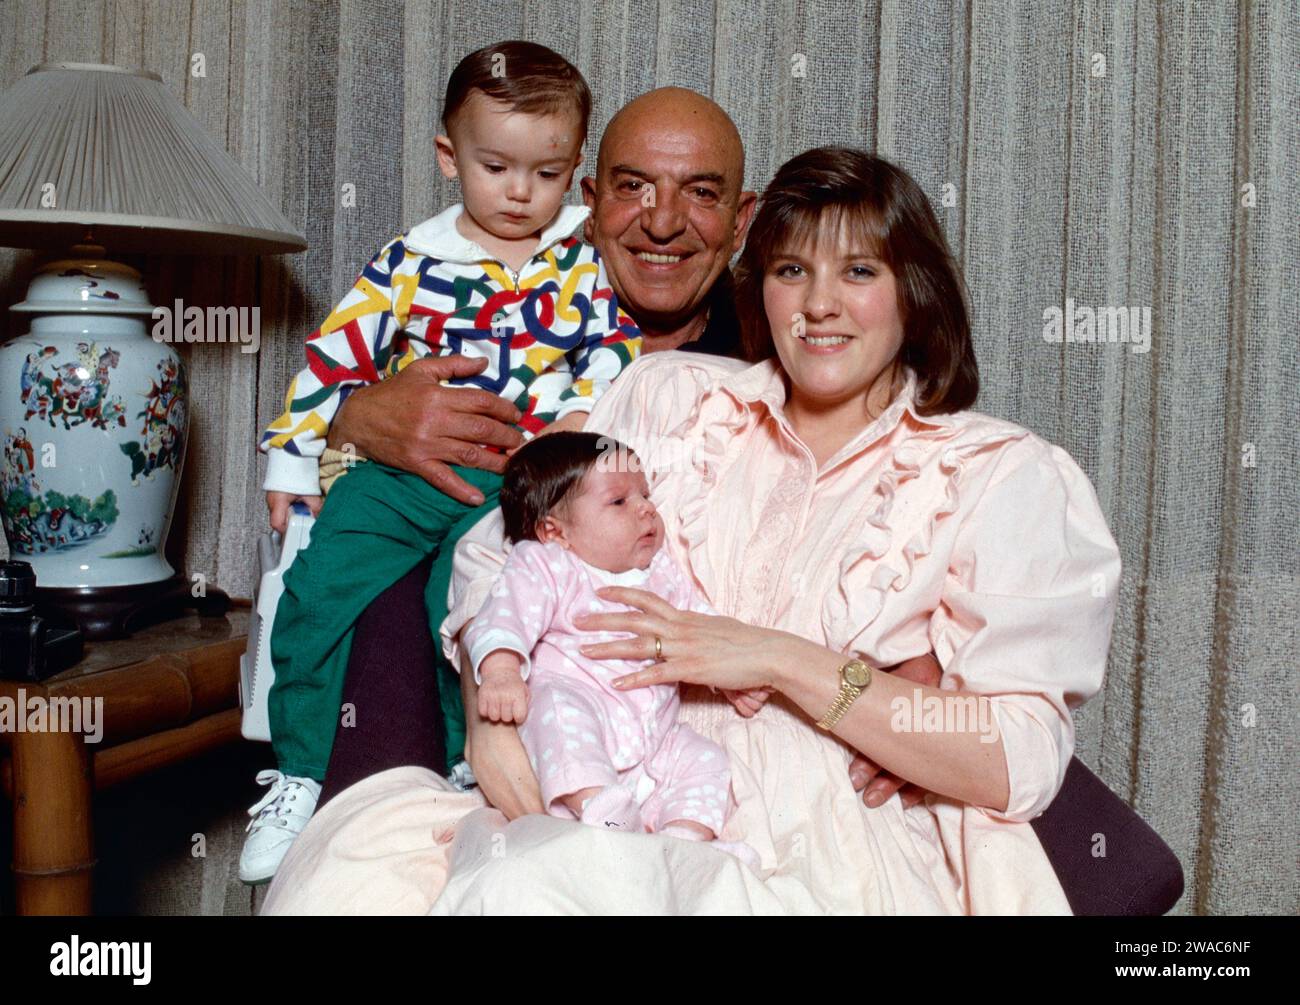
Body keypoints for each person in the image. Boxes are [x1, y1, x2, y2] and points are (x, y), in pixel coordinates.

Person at [303, 88, 1184, 914]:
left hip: (823, 829)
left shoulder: (1001, 472)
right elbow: (501, 550)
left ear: (913, 294)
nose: (820, 305)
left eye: (860, 272)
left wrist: (785, 661)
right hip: (604, 773)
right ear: (759, 281)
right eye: (793, 270)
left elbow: (1020, 756)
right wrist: (493, 714)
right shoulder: (667, 396)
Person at [239, 40, 641, 884]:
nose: (521, 192)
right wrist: (291, 456)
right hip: (401, 476)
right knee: (316, 593)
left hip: (512, 479)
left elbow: (614, 348)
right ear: (448, 159)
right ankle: (300, 773)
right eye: (497, 167)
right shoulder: (411, 258)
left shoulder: (580, 257)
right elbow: (334, 354)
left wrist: (576, 413)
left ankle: (468, 764)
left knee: (464, 605)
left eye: (548, 172)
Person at [464, 431, 760, 866]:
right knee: (559, 711)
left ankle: (685, 845)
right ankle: (600, 811)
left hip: (653, 735)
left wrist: (729, 678)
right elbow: (504, 615)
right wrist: (501, 671)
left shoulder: (663, 573)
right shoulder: (547, 563)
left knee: (704, 758)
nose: (646, 508)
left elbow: (701, 631)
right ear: (555, 531)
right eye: (619, 501)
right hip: (581, 710)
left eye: (645, 494)